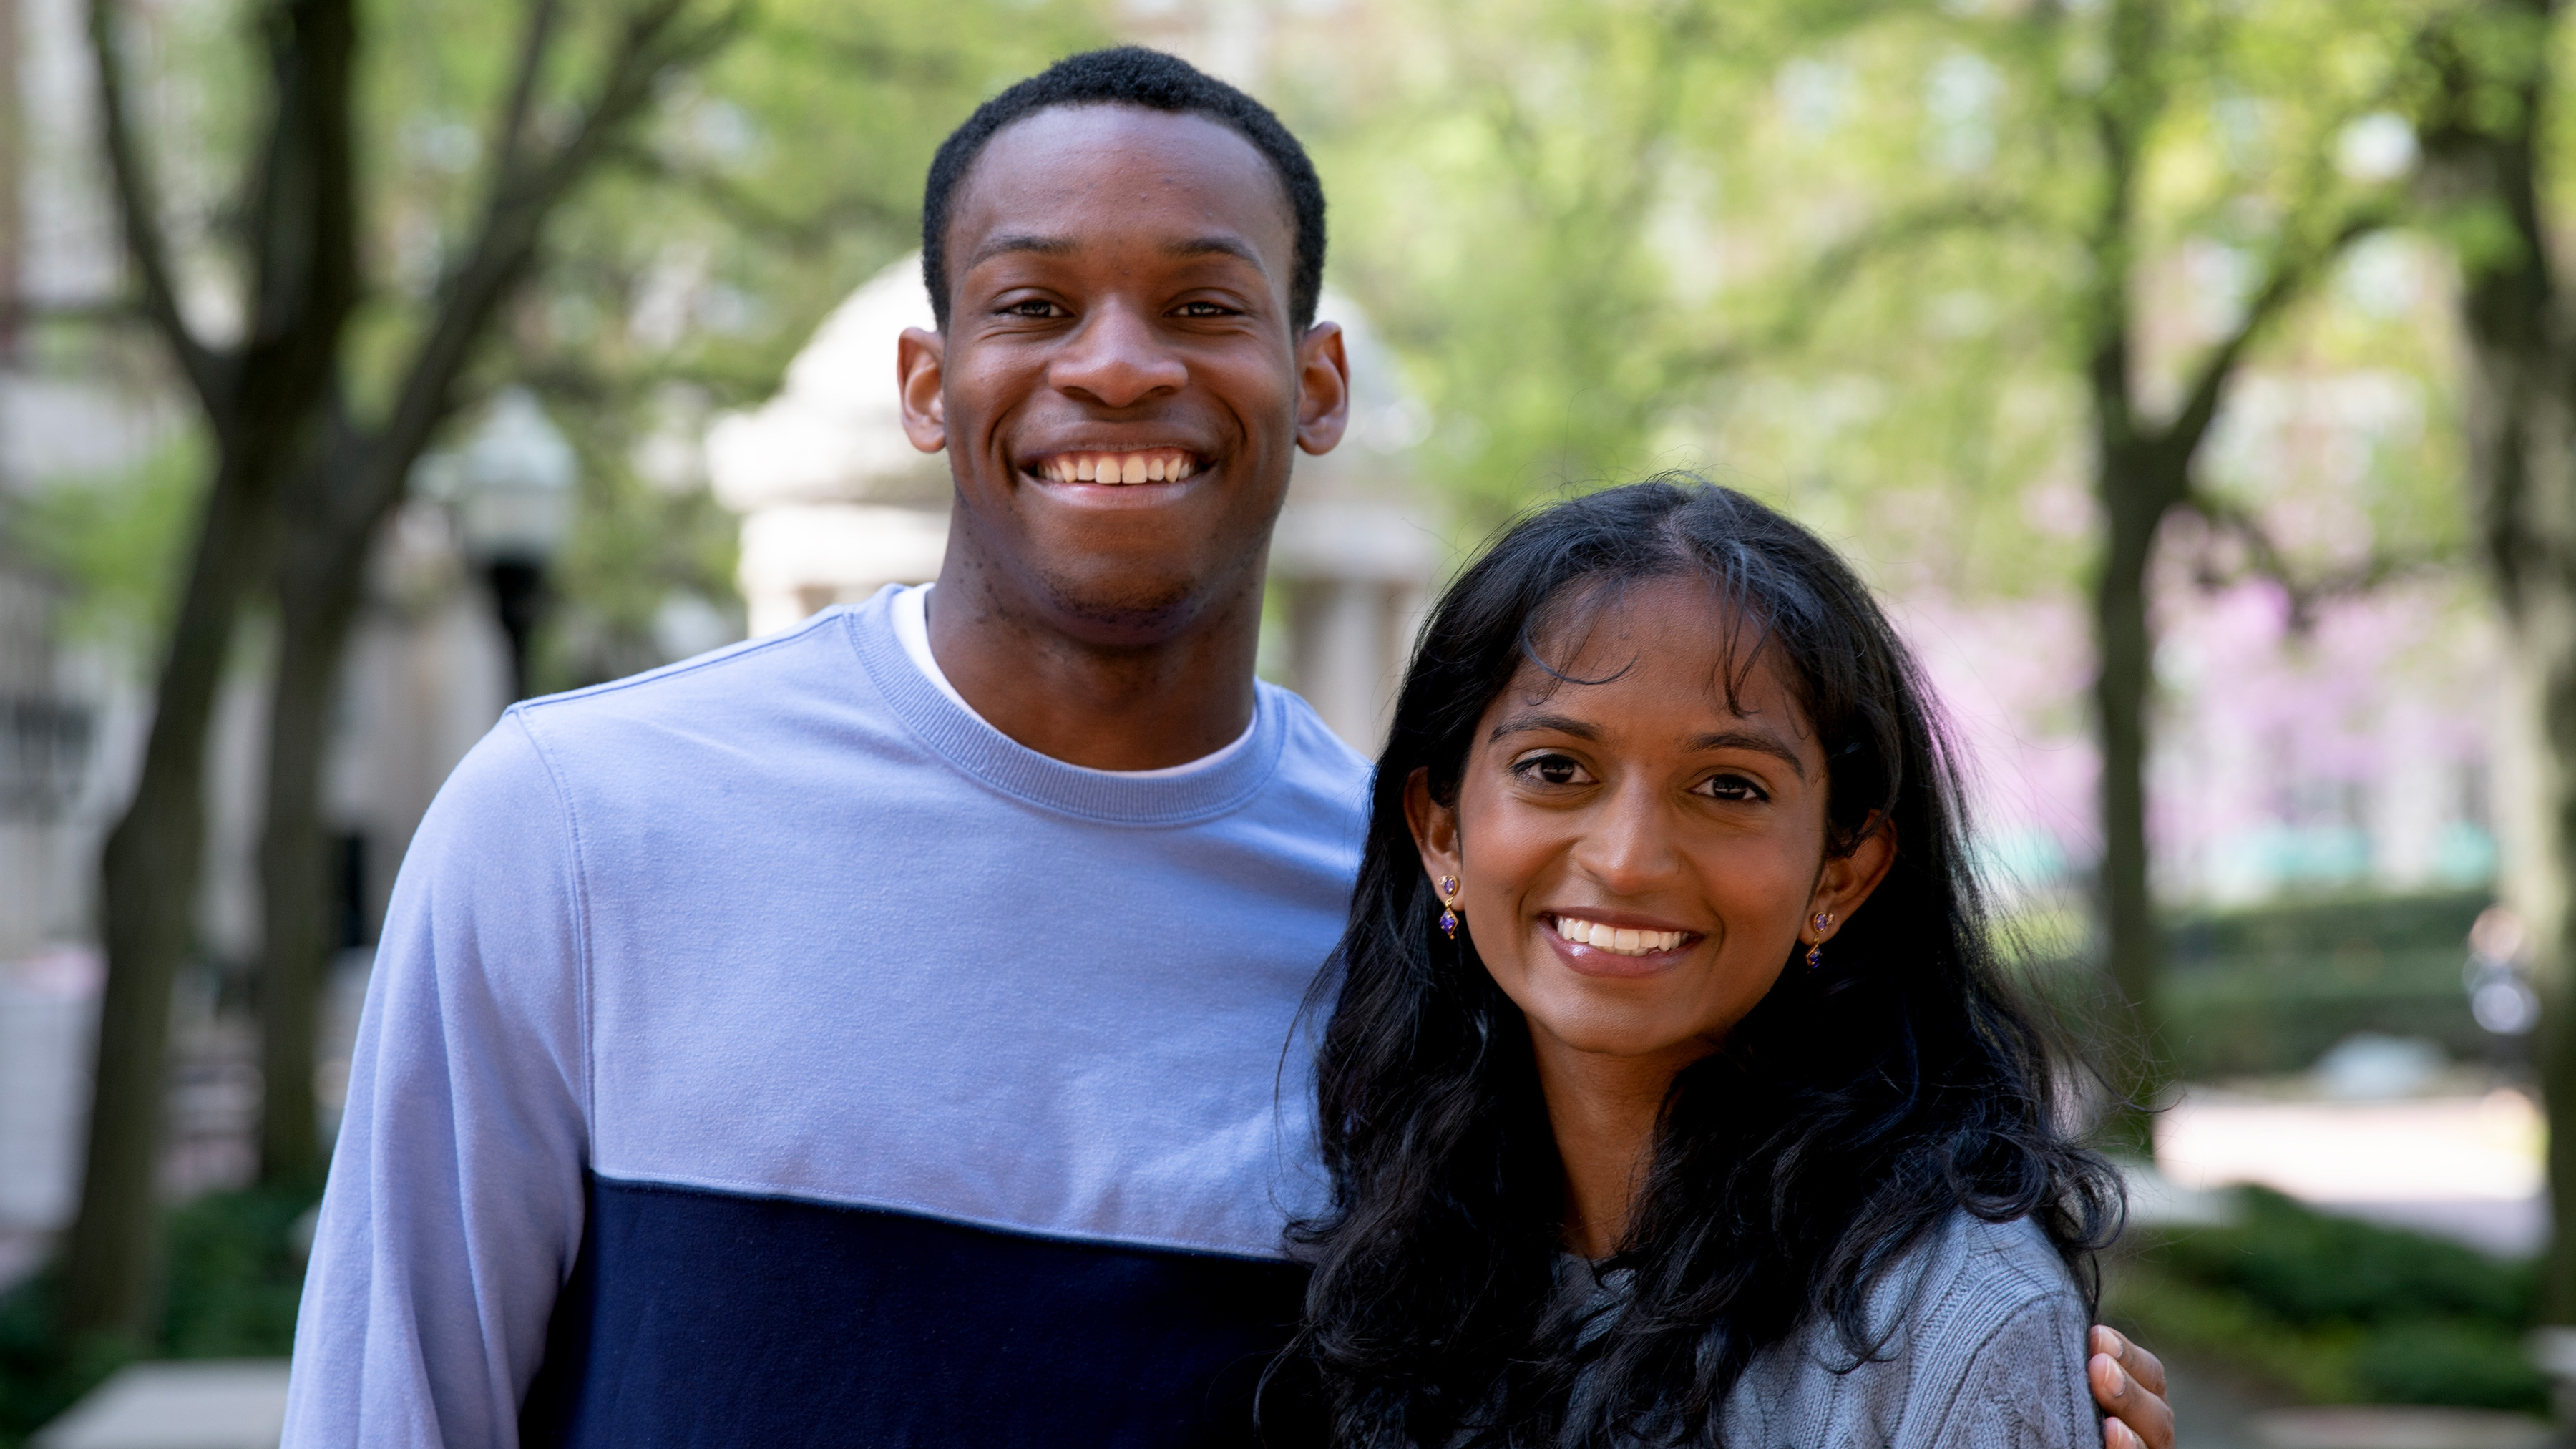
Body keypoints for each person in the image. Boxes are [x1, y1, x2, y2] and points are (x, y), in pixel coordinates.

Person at [279, 47, 2175, 1448]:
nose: (1117, 364)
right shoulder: (579, 822)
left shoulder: (1418, 939)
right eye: (1034, 303)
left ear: (1315, 382)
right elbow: (393, 1407)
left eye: (1203, 304)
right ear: (931, 385)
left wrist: (1990, 1379)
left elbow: (1653, 1314)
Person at [1285, 477, 2140, 1448]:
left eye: (1728, 786)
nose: (1627, 857)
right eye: (1556, 769)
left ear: (1841, 871)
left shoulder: (1955, 1322)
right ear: (1443, 832)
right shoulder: (1389, 1248)